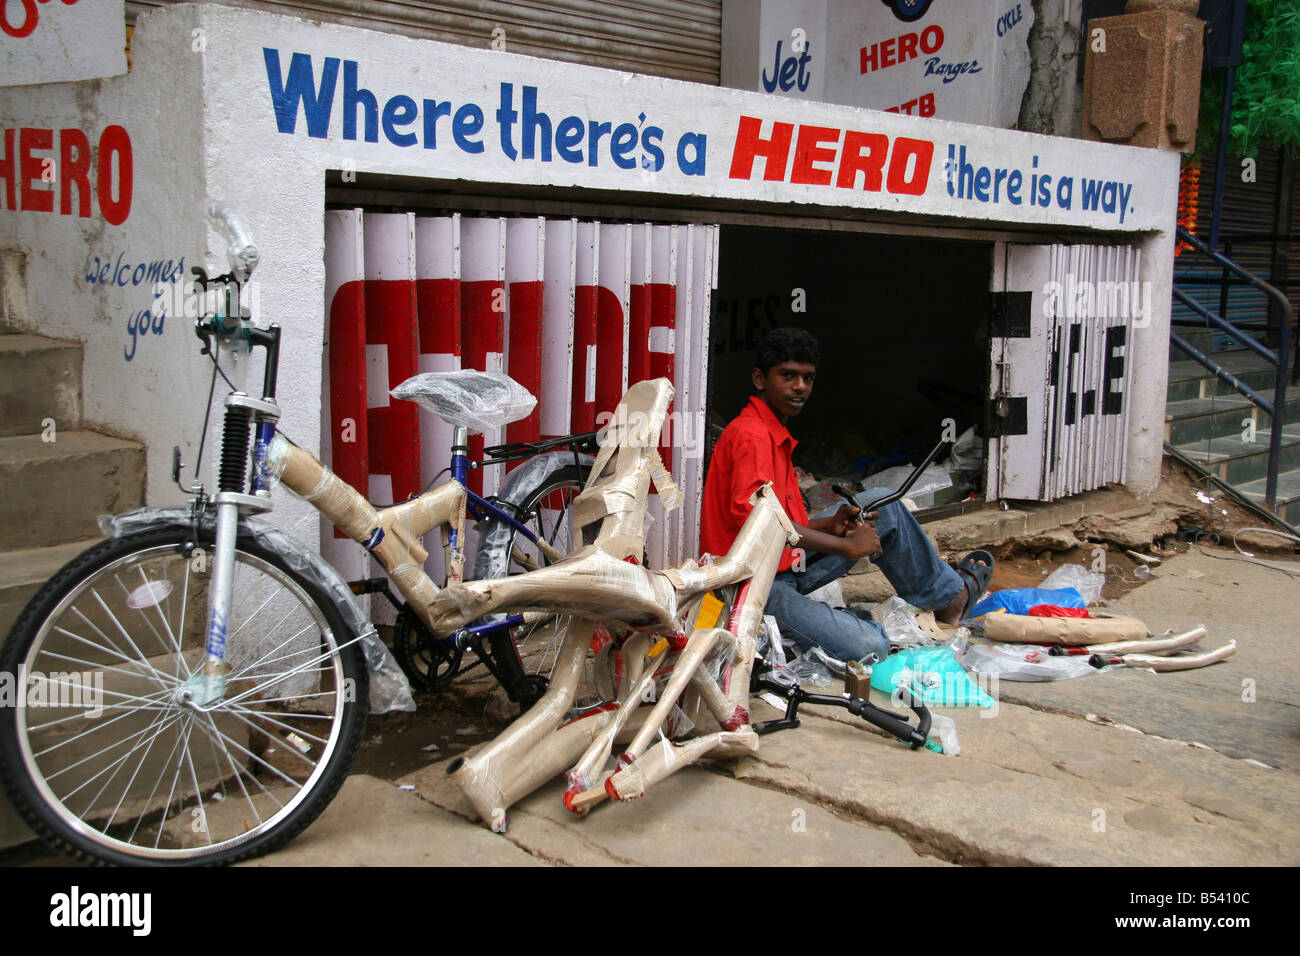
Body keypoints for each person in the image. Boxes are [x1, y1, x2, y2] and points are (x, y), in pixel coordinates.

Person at [699, 327, 992, 664]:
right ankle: (860, 623)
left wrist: (829, 525)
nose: (799, 387)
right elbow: (759, 525)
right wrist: (845, 546)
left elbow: (782, 520)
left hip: (785, 565)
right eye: (788, 376)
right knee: (870, 646)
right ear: (759, 379)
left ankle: (950, 598)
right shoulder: (752, 436)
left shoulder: (773, 430)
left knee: (883, 505)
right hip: (752, 587)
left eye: (807, 379)